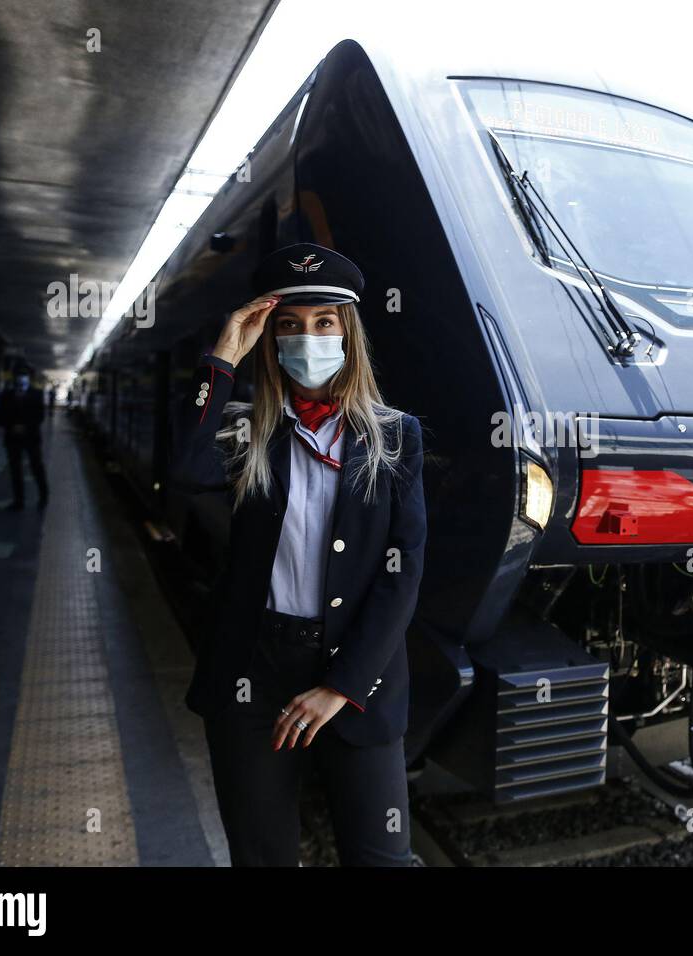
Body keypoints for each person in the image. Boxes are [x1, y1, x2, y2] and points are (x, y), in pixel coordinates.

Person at [171, 242, 426, 867]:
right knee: (262, 857)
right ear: (270, 336)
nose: (306, 338)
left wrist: (341, 685)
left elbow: (404, 568)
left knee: (382, 859)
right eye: (289, 325)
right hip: (251, 672)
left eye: (323, 324)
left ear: (348, 335)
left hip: (356, 672)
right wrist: (223, 356)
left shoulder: (395, 436)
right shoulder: (242, 429)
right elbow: (183, 468)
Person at [0, 362, 49, 509]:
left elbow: (40, 416)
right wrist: (12, 426)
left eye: (23, 375)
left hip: (31, 437)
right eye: (18, 374)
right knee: (15, 470)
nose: (21, 378)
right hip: (12, 438)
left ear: (29, 377)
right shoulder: (5, 395)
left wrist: (25, 427)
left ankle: (44, 496)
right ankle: (19, 501)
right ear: (13, 377)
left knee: (36, 466)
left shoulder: (37, 394)